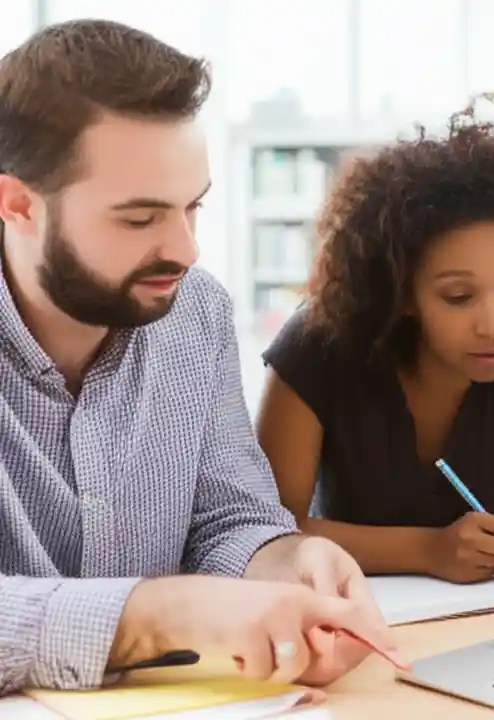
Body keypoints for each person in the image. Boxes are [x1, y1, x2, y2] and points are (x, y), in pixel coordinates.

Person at [0, 20, 400, 695]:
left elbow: (230, 517)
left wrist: (290, 564)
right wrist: (155, 615)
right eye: (139, 219)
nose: (186, 251)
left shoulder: (196, 312)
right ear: (17, 205)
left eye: (194, 208)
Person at [255, 108, 494, 586]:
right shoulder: (314, 349)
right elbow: (268, 531)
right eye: (458, 297)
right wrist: (427, 550)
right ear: (401, 294)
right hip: (349, 613)